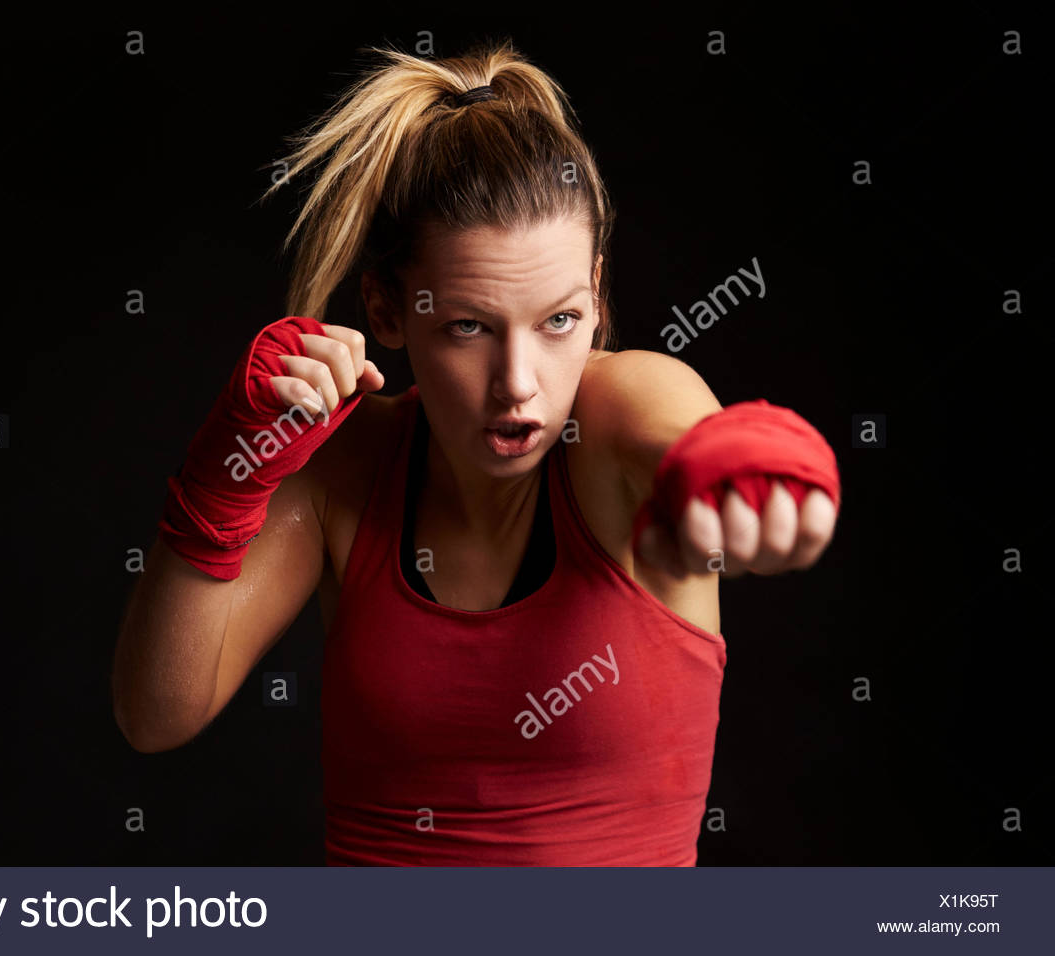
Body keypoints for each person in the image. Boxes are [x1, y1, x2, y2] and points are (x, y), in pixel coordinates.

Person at [111, 39, 840, 865]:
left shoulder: (616, 412)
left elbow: (696, 441)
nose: (519, 384)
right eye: (468, 327)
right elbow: (156, 714)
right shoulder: (347, 467)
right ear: (388, 310)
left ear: (597, 297)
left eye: (559, 320)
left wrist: (760, 462)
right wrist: (227, 470)